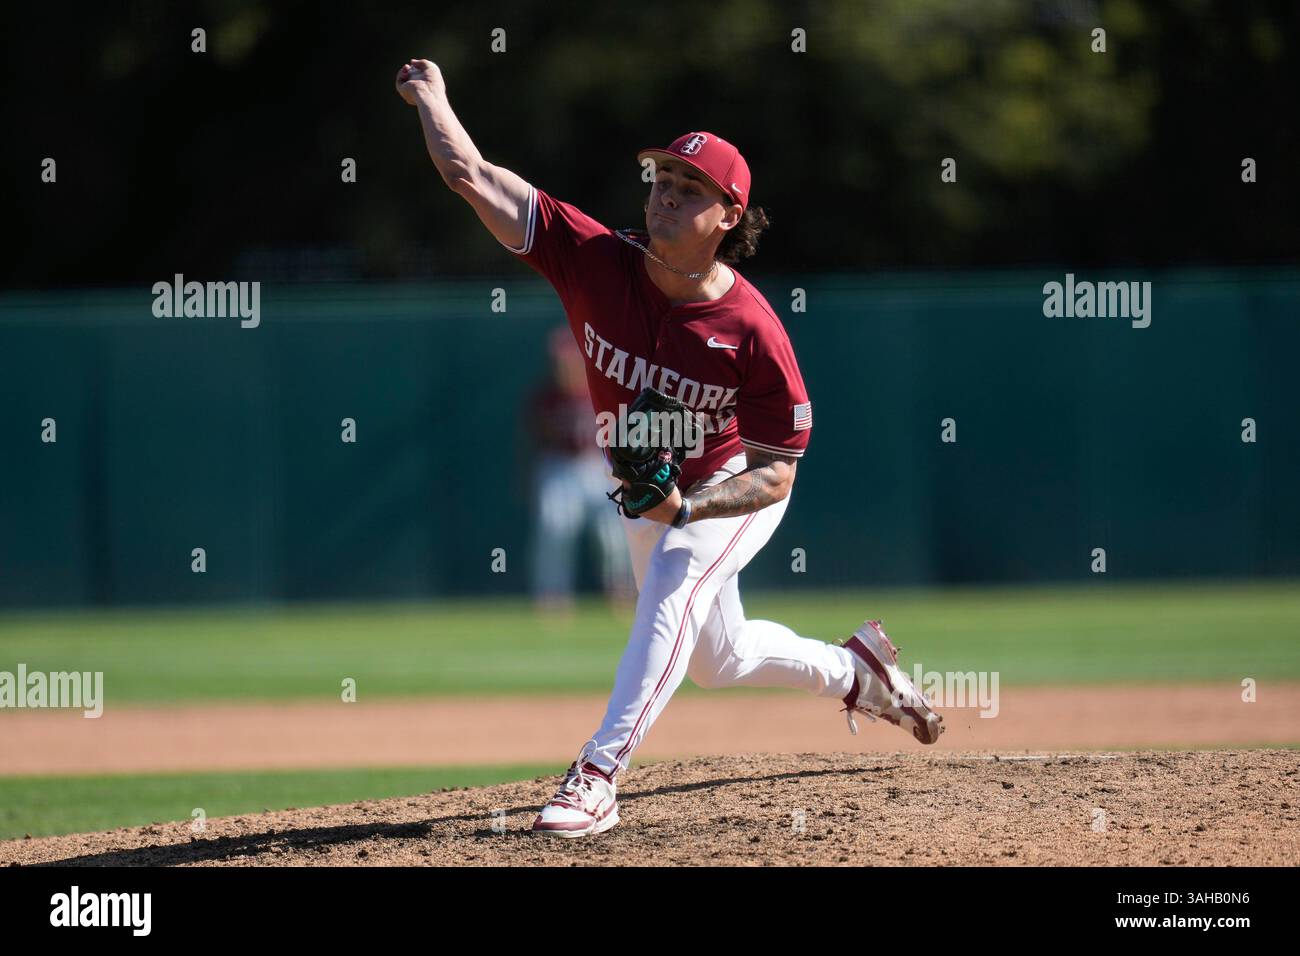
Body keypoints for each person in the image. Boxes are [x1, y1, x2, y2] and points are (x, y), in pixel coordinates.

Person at [396, 58, 943, 838]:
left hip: (722, 482)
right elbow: (470, 174)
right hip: (644, 489)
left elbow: (778, 469)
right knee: (718, 659)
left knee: (679, 580)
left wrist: (691, 504)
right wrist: (433, 98)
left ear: (729, 215)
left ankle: (597, 775)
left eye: (690, 189)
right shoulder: (593, 260)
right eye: (661, 180)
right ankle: (859, 673)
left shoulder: (751, 330)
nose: (666, 195)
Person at [525, 327, 634, 613]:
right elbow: (535, 440)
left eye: (570, 359)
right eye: (561, 360)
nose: (565, 365)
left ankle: (621, 591)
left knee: (613, 534)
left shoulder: (598, 391)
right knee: (555, 528)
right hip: (559, 465)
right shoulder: (546, 396)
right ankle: (552, 596)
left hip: (599, 465)